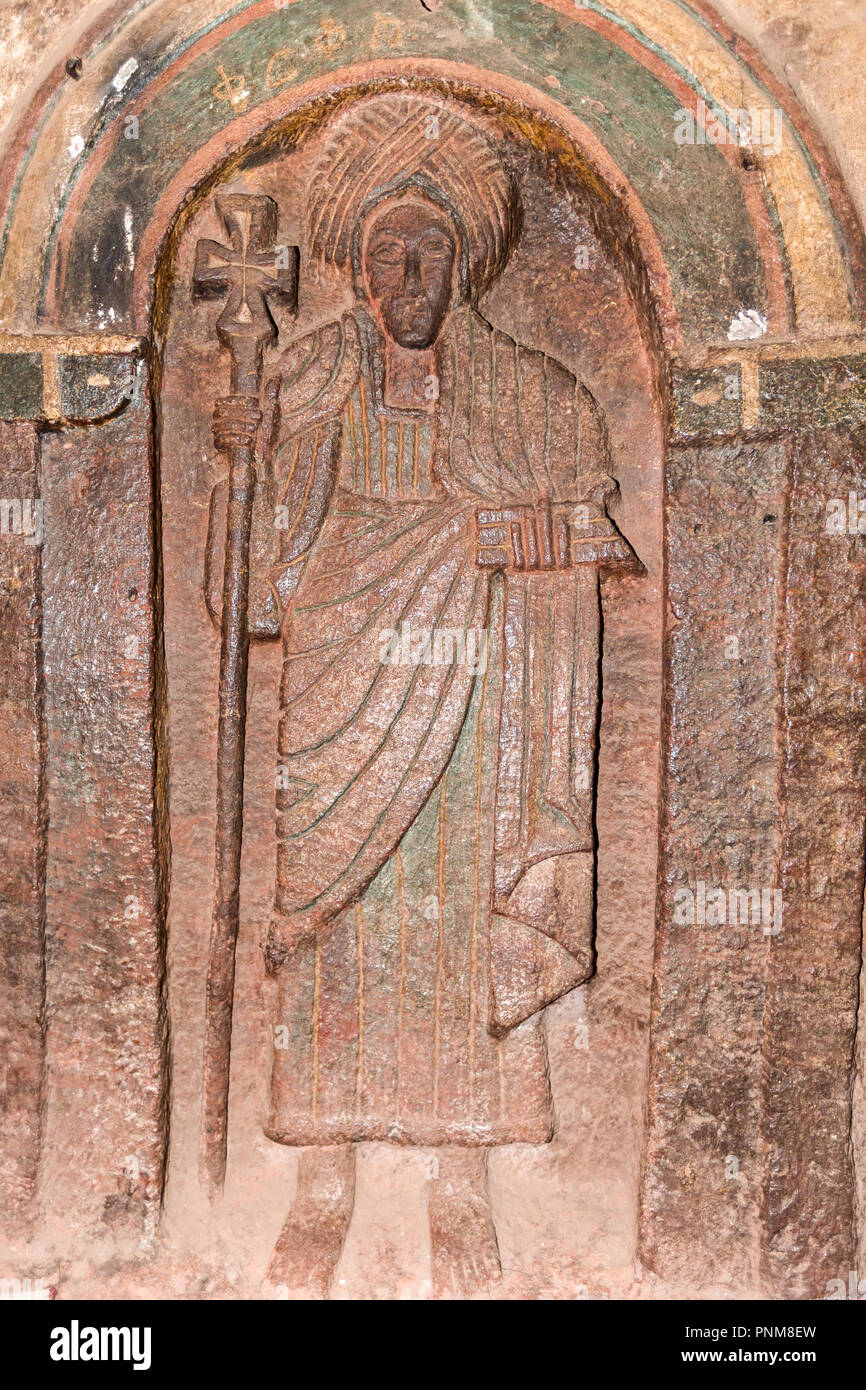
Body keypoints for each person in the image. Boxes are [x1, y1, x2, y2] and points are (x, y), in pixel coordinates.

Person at [205, 93, 638, 1296]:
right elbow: (252, 595)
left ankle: (463, 1181)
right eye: (389, 247)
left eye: (432, 248)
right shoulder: (302, 381)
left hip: (473, 714)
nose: (409, 271)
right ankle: (322, 1170)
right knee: (334, 936)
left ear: (466, 263)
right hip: (338, 703)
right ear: (353, 263)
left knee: (451, 924)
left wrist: (505, 543)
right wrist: (246, 457)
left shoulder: (534, 396)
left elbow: (579, 534)